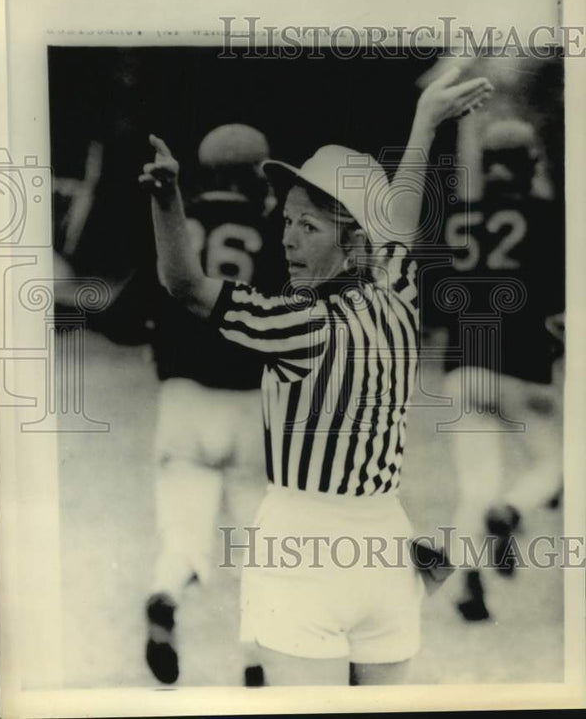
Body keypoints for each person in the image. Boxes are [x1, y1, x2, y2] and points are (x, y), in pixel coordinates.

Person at [139, 66, 493, 685]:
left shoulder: (296, 324)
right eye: (288, 221)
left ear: (353, 240)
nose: (288, 241)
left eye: (309, 226)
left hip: (303, 553)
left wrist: (168, 200)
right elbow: (397, 221)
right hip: (386, 552)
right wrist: (424, 126)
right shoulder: (399, 294)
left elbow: (186, 287)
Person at [145, 124, 286, 685]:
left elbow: (126, 313)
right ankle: (255, 659)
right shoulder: (275, 229)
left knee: (183, 529)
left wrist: (161, 329)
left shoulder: (177, 219)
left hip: (183, 397)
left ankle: (165, 594)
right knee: (258, 539)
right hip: (252, 400)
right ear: (258, 173)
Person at [440, 118, 565, 621]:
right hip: (522, 365)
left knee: (476, 483)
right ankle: (512, 510)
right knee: (557, 466)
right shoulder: (549, 216)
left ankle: (465, 580)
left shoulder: (457, 217)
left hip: (464, 364)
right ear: (529, 164)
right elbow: (559, 307)